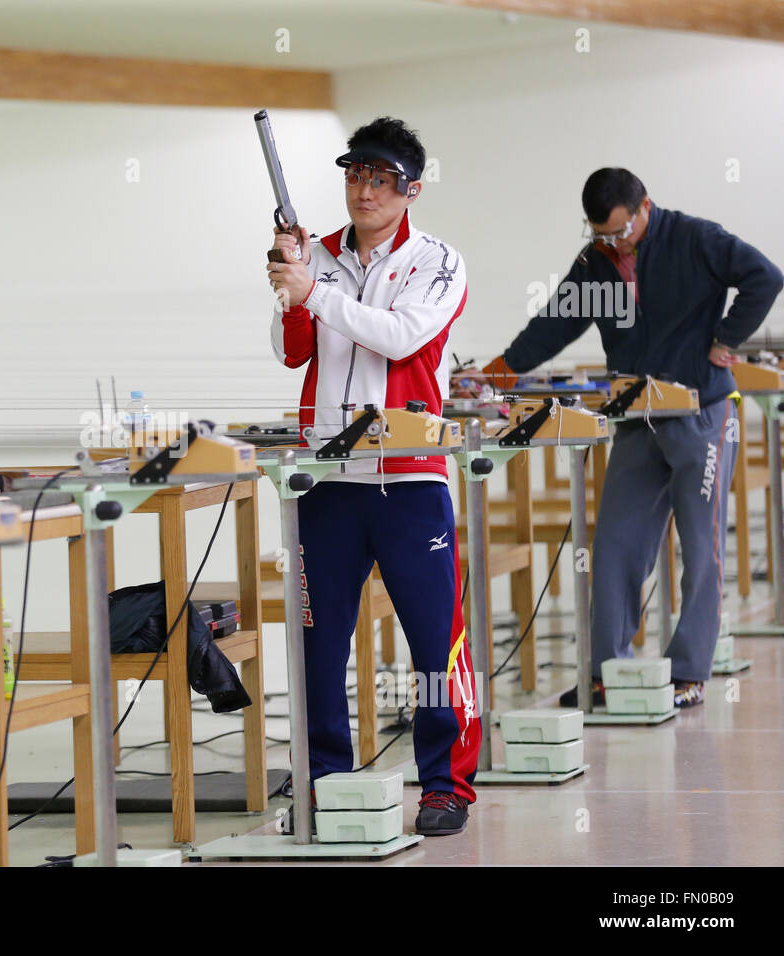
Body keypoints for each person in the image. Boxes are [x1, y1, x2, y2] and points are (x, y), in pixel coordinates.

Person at [482, 168, 783, 707]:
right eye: (601, 234)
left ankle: (689, 672)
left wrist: (727, 339)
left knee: (702, 547)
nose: (612, 244)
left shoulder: (694, 238)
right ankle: (604, 672)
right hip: (637, 418)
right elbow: (559, 319)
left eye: (620, 232)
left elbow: (765, 275)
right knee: (615, 544)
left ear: (645, 207)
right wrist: (502, 370)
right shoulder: (595, 260)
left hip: (702, 413)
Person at [267, 116, 479, 835]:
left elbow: (400, 336)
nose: (364, 190)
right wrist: (290, 283)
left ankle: (444, 786)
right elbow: (288, 351)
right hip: (326, 481)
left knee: (432, 640)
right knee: (317, 640)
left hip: (410, 479)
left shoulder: (439, 260)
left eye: (381, 179)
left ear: (411, 189)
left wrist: (316, 291)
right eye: (355, 174)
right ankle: (323, 781)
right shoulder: (317, 254)